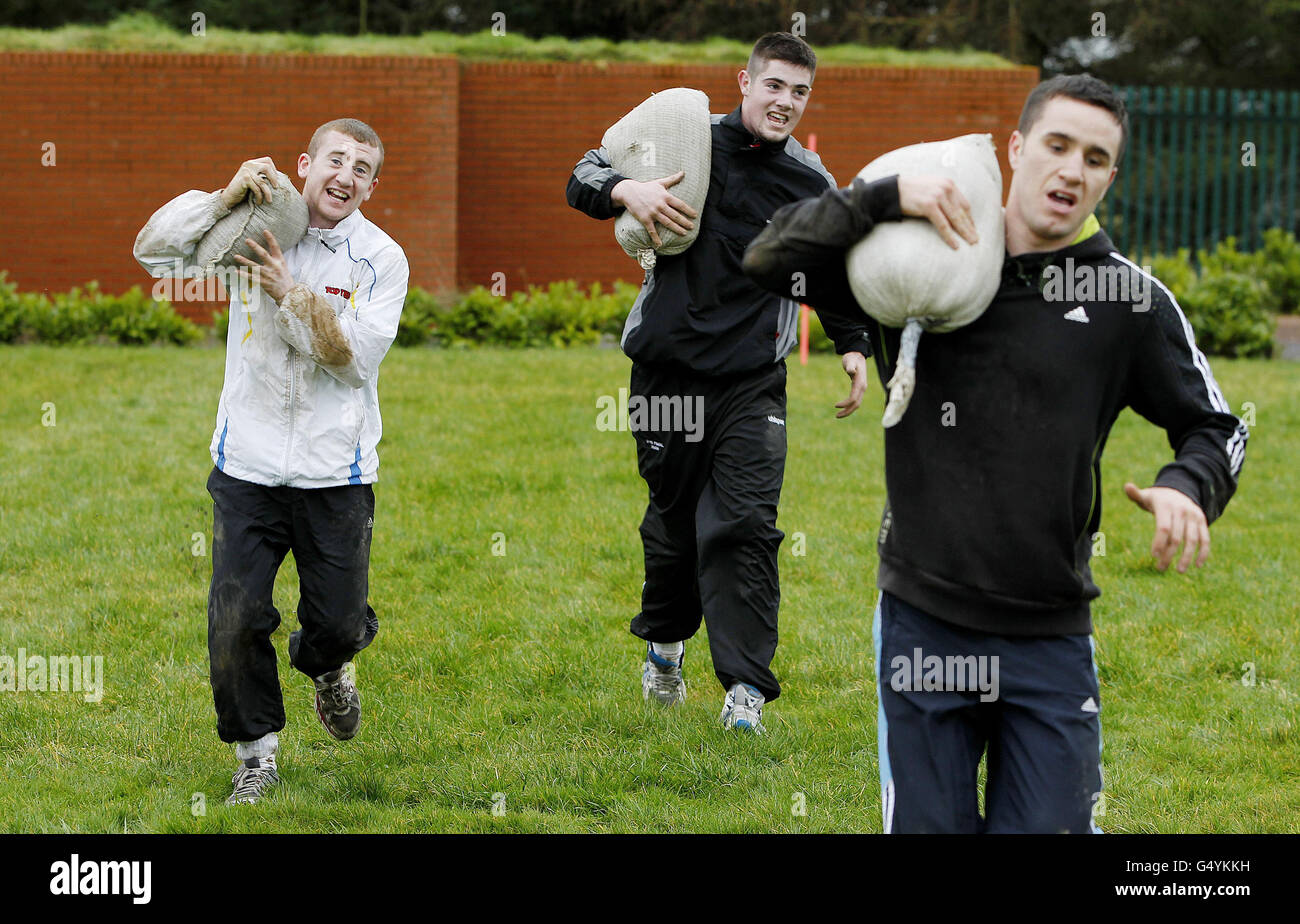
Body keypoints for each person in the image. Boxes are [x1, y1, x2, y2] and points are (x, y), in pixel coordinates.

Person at [744, 74, 1247, 831]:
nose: (1072, 171)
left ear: (1112, 175)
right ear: (1015, 149)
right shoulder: (914, 264)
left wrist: (1189, 485)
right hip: (923, 622)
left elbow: (1216, 424)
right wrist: (884, 199)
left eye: (1096, 158)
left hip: (1050, 638)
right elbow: (765, 256)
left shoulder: (1126, 301)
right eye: (1057, 145)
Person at [566, 32, 877, 733]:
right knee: (676, 525)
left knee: (742, 524)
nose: (785, 102)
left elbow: (830, 265)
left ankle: (744, 690)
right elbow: (580, 174)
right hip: (668, 373)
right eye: (774, 86)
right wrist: (627, 189)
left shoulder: (809, 178)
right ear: (745, 81)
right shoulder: (684, 138)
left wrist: (853, 345)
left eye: (799, 92)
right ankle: (666, 646)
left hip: (751, 383)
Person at [134, 118, 409, 805]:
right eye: (335, 160)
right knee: (234, 620)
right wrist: (221, 202)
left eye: (362, 168)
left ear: (372, 188)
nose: (346, 175)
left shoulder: (382, 259)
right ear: (304, 165)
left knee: (338, 626)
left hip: (335, 477)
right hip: (248, 469)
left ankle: (328, 666)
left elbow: (351, 361)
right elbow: (154, 254)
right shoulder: (251, 231)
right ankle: (256, 757)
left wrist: (289, 291)